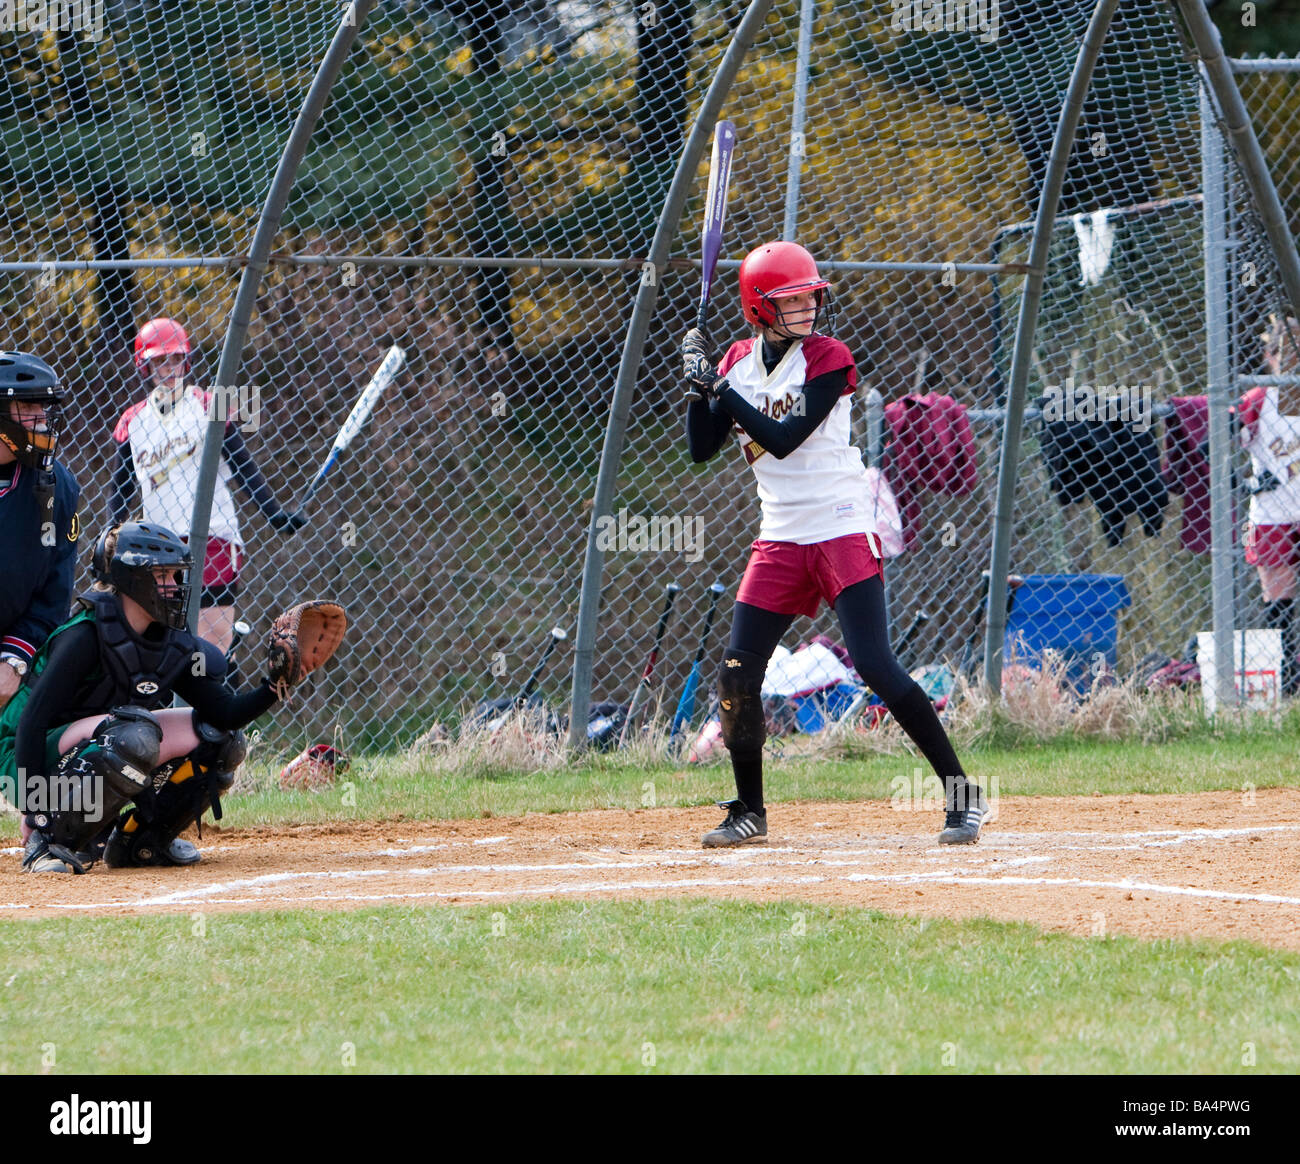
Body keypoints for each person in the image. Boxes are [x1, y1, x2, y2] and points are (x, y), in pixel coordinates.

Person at [681, 240, 989, 848]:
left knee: (873, 663)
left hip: (842, 522)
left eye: (809, 296)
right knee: (738, 673)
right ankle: (749, 810)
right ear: (758, 310)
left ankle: (962, 795)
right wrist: (699, 388)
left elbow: (786, 436)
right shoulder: (736, 364)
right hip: (780, 533)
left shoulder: (828, 357)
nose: (808, 308)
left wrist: (723, 392)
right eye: (790, 300)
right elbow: (699, 449)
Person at [0, 521, 309, 874]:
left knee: (221, 741)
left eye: (176, 576)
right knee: (133, 736)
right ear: (132, 579)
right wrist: (33, 808)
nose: (174, 586)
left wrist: (276, 685)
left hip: (97, 738)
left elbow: (224, 714)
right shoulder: (86, 634)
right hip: (22, 752)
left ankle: (140, 841)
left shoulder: (169, 639)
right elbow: (31, 722)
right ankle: (51, 841)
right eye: (163, 575)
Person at [111, 317, 305, 657]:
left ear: (186, 360)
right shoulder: (133, 421)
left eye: (174, 359)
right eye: (159, 361)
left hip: (213, 535)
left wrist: (274, 514)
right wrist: (113, 536)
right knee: (165, 642)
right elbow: (121, 487)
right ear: (145, 366)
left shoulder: (207, 403)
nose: (168, 368)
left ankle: (220, 681)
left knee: (211, 640)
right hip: (159, 544)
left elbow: (244, 466)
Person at [0, 351, 80, 711]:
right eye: (29, 408)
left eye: (45, 409)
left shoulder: (58, 488)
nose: (42, 421)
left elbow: (54, 594)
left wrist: (14, 658)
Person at [1239, 314, 1300, 696]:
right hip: (1273, 513)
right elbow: (1217, 439)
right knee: (1278, 599)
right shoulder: (1259, 399)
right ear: (1270, 356)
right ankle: (1287, 681)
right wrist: (1246, 481)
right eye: (1283, 353)